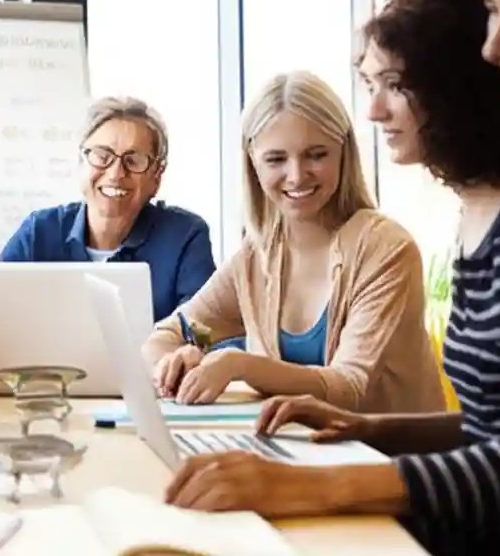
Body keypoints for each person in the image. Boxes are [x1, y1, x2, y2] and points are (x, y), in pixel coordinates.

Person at [164, 0, 500, 552]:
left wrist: (320, 486)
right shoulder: (479, 218)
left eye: (393, 85)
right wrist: (372, 430)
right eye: (370, 86)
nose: (373, 111)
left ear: (452, 84)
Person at [142, 72, 443, 413]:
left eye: (316, 155)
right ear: (252, 161)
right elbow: (164, 336)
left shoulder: (386, 249)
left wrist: (239, 364)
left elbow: (350, 387)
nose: (297, 175)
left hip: (388, 460)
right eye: (276, 160)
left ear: (343, 152)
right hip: (303, 453)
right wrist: (175, 363)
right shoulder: (255, 257)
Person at [0, 96, 215, 368]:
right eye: (102, 156)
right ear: (81, 163)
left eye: (134, 160)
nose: (116, 173)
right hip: (47, 397)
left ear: (156, 176)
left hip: (152, 401)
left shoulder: (185, 237)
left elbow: (216, 332)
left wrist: (193, 358)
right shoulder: (39, 232)